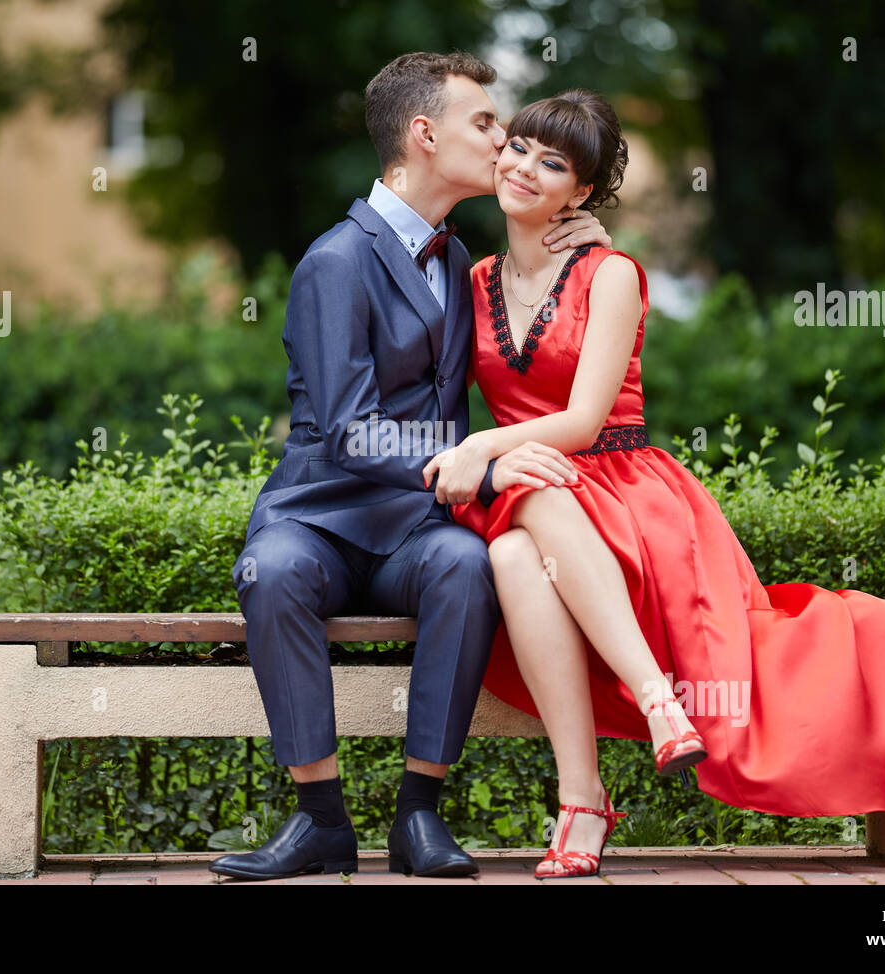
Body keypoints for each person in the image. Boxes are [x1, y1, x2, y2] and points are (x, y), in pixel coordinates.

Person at [425, 88, 885, 879]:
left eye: (552, 163)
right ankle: (586, 794)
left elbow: (586, 421)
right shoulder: (471, 274)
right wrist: (488, 460)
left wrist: (486, 445)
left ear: (581, 192)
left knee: (531, 517)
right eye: (519, 148)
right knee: (514, 548)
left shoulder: (611, 272)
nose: (525, 167)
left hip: (620, 488)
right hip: (530, 488)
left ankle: (643, 720)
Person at [211, 53, 612, 882]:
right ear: (424, 136)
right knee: (273, 570)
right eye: (485, 124)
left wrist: (586, 244)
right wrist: (484, 470)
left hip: (418, 530)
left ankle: (417, 814)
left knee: (467, 567)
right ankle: (319, 818)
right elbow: (353, 432)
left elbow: (541, 307)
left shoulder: (463, 265)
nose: (504, 142)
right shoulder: (334, 261)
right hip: (320, 516)